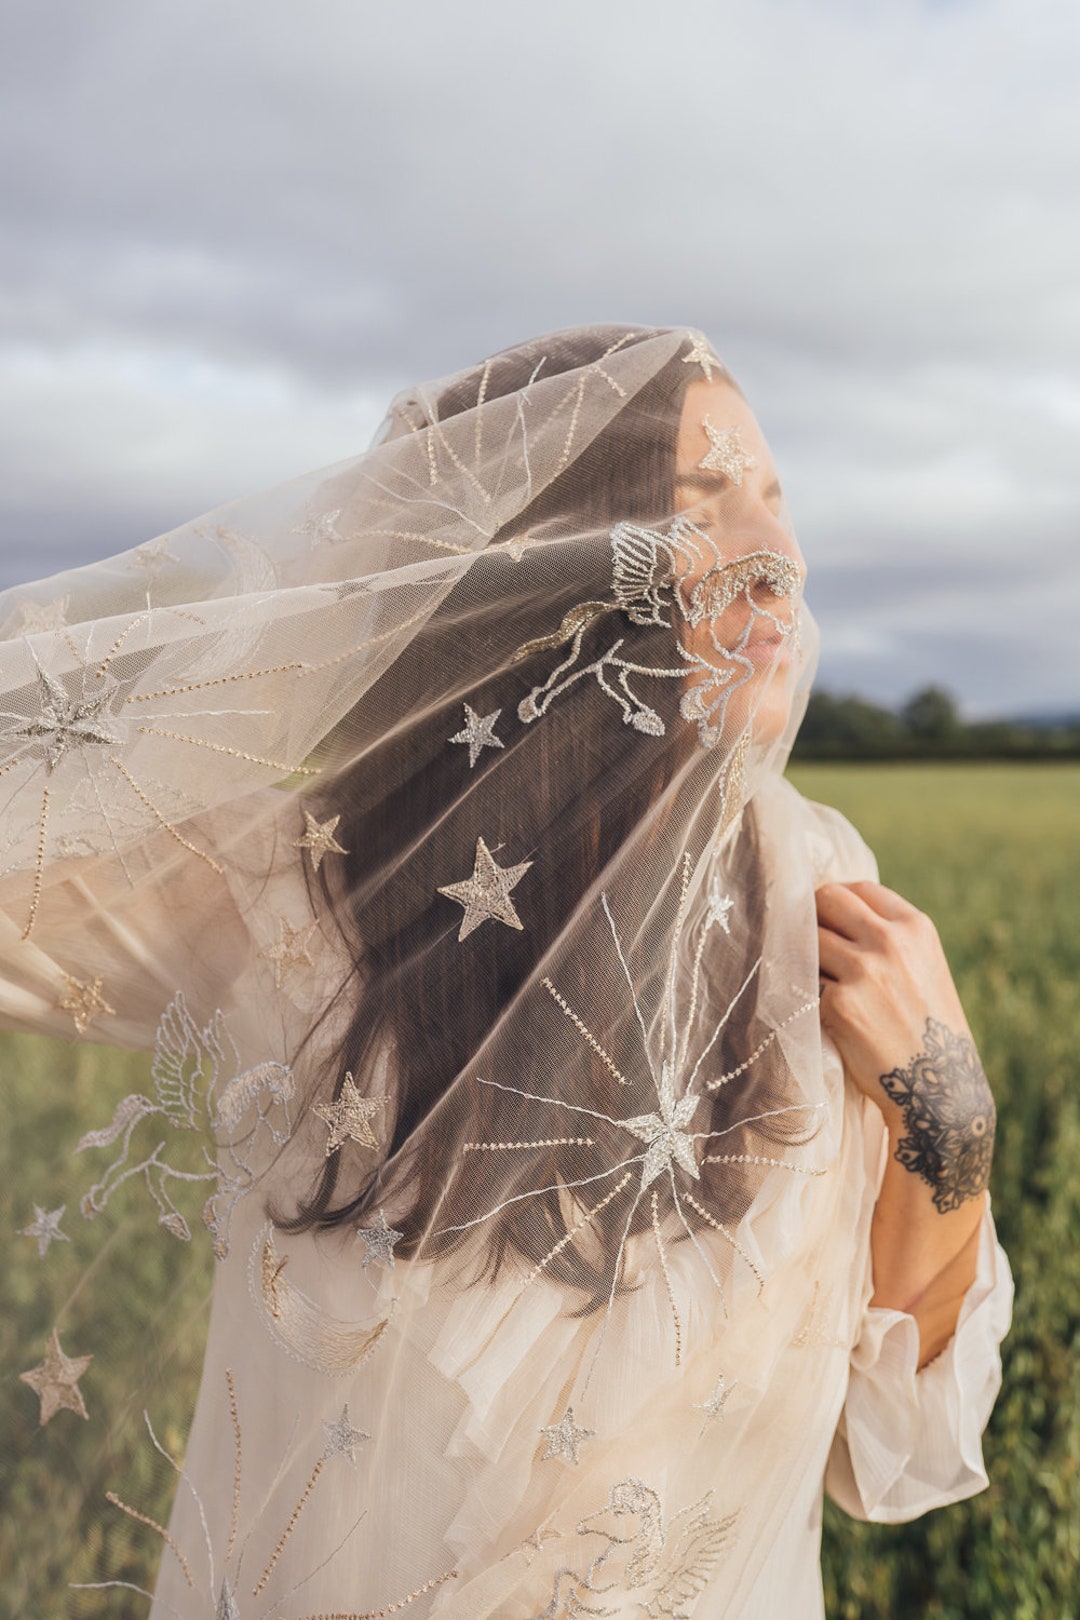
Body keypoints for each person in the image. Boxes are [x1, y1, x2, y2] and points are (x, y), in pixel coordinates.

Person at [1, 323, 1012, 1618]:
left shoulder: (823, 907)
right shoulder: (305, 896)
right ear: (548, 573)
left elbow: (901, 1458)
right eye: (701, 508)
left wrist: (949, 1126)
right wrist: (291, 641)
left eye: (776, 497)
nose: (777, 558)